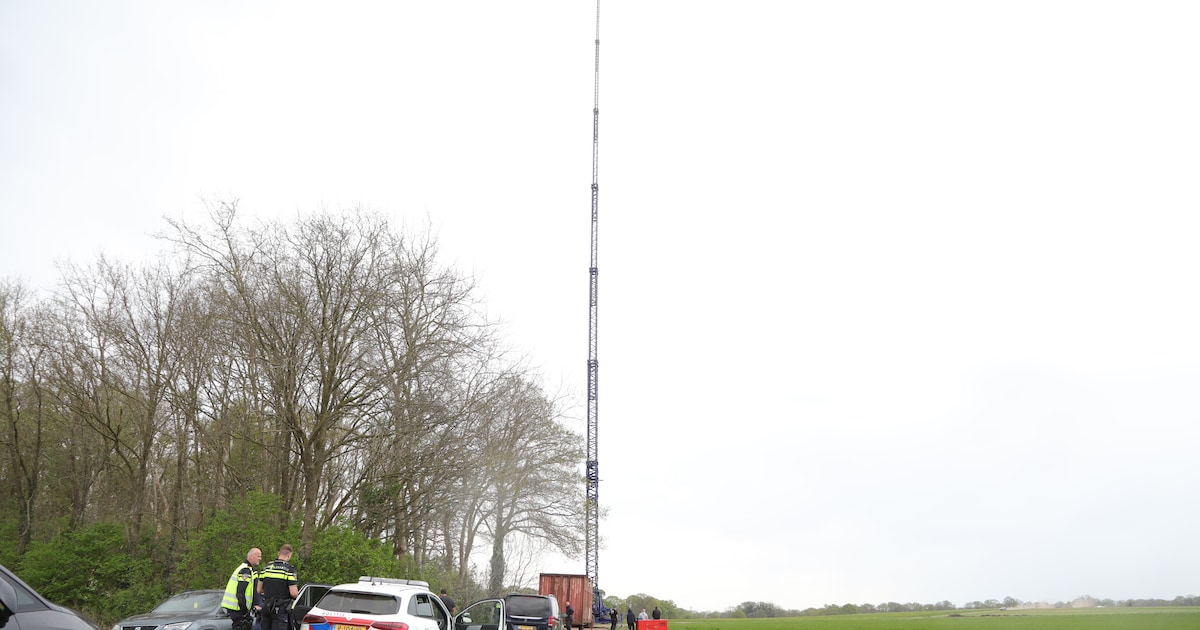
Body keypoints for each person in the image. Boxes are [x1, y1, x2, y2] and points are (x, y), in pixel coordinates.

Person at [257, 544, 299, 630]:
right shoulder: (289, 570)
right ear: (289, 555)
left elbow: (259, 590)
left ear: (278, 553)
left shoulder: (266, 568)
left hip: (266, 606)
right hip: (280, 608)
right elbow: (294, 593)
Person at [221, 548, 262, 630]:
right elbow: (240, 592)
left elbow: (253, 590)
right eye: (258, 556)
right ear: (251, 557)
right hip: (237, 608)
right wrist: (244, 611)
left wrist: (255, 604)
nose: (260, 558)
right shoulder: (245, 570)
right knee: (241, 626)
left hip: (239, 609)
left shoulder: (250, 570)